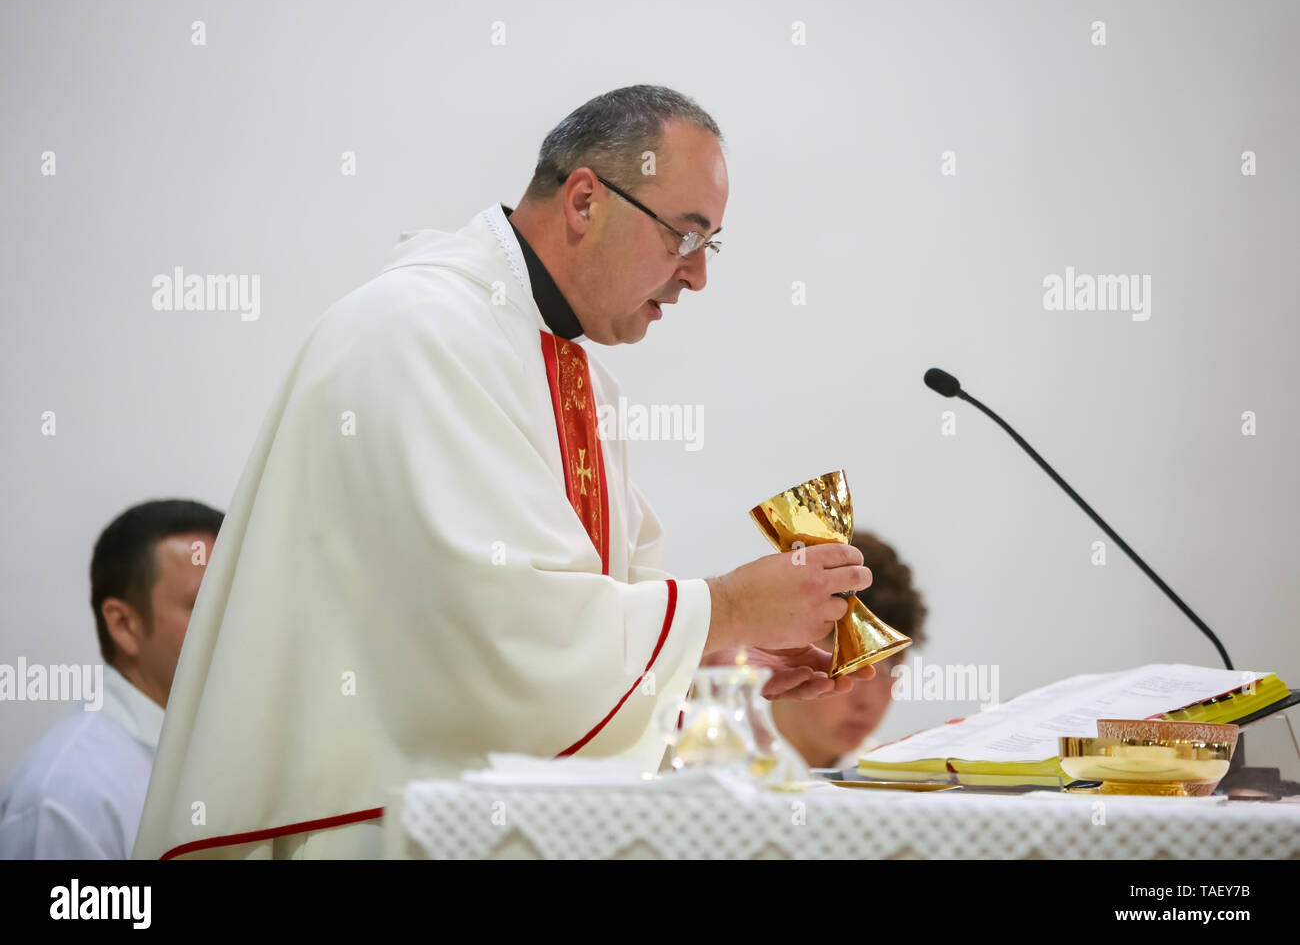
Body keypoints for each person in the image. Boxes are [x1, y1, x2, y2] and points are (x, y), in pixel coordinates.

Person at [133, 84, 874, 861]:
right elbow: (489, 634)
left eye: (709, 246)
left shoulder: (565, 367)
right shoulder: (418, 334)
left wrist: (709, 658)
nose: (696, 278)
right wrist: (722, 609)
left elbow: (586, 615)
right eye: (684, 238)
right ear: (585, 200)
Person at [0, 500, 222, 858]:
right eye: (206, 603)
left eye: (238, 599)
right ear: (123, 625)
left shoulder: (229, 746)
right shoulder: (66, 798)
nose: (234, 621)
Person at [771, 532, 928, 770]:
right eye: (852, 663)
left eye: (892, 667)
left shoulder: (888, 784)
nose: (868, 702)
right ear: (789, 644)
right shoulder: (711, 772)